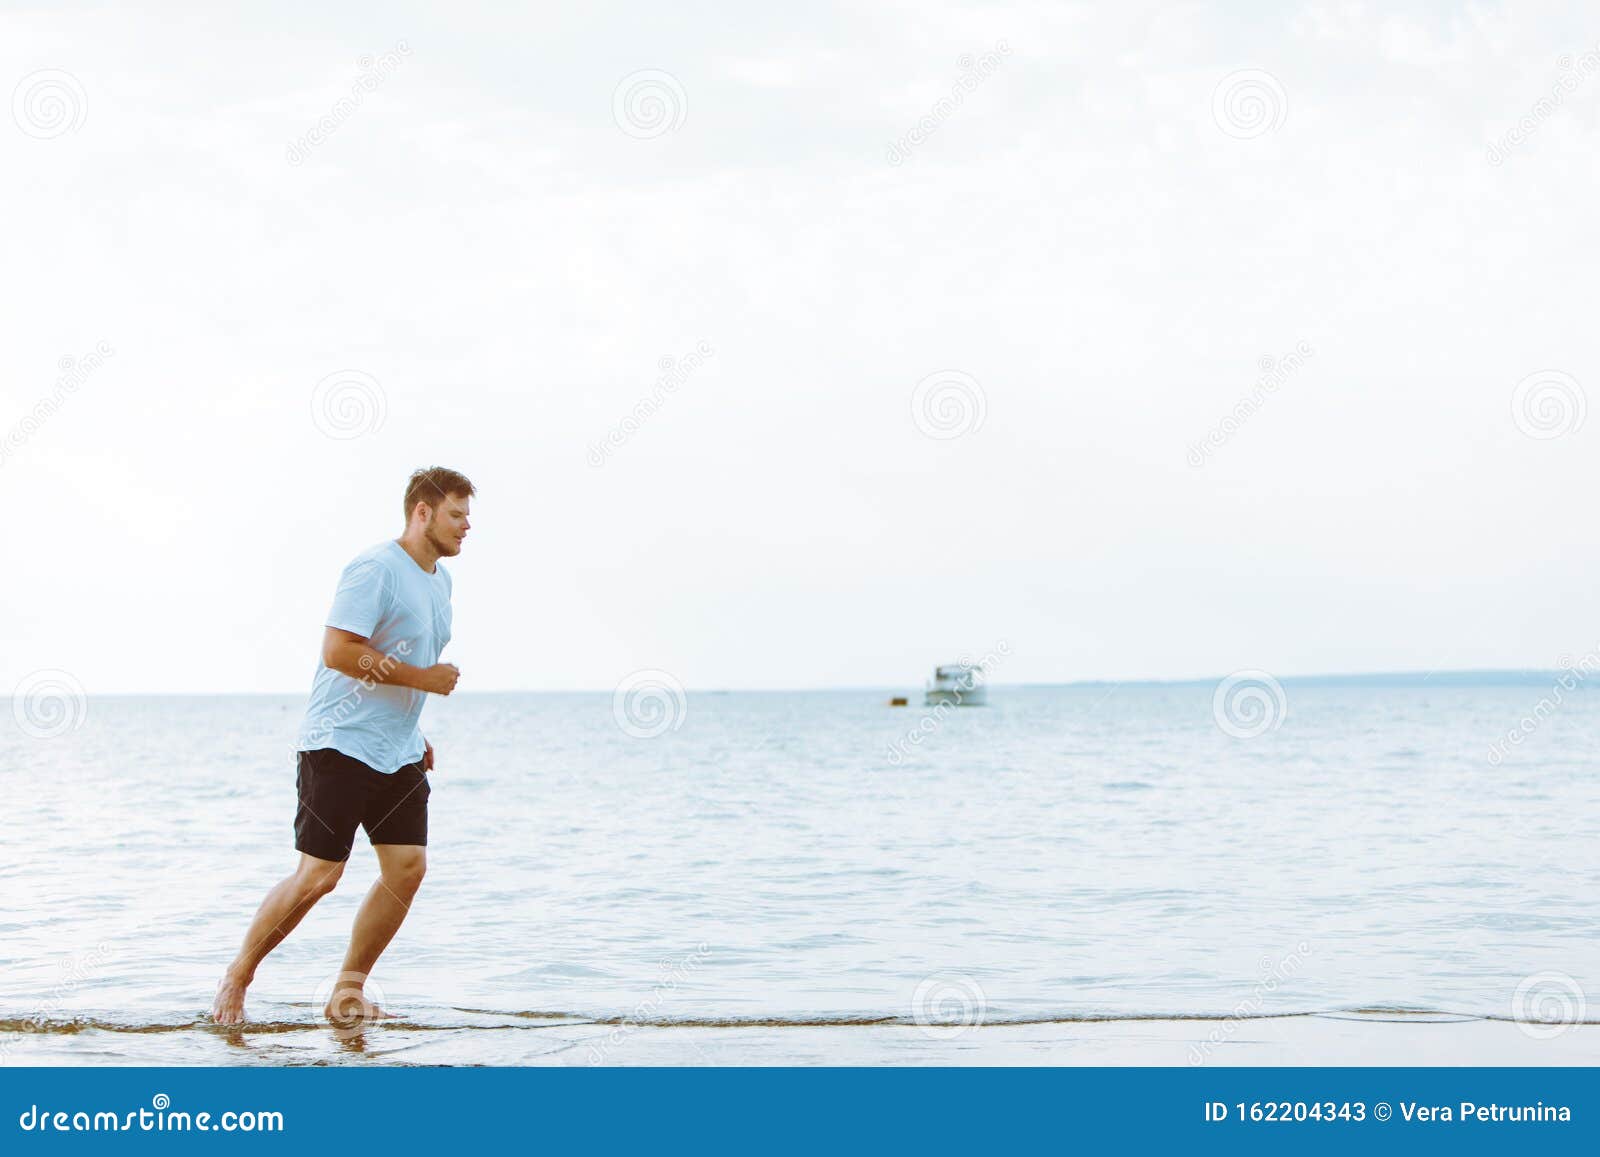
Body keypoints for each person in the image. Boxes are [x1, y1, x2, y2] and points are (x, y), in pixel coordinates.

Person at [210, 466, 474, 1028]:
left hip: (396, 750)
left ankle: (346, 992)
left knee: (407, 868)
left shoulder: (439, 581)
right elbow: (338, 651)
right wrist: (421, 679)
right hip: (339, 744)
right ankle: (239, 974)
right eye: (456, 514)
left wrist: (413, 728)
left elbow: (393, 655)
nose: (466, 526)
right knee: (320, 875)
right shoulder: (375, 568)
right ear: (421, 513)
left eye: (469, 516)